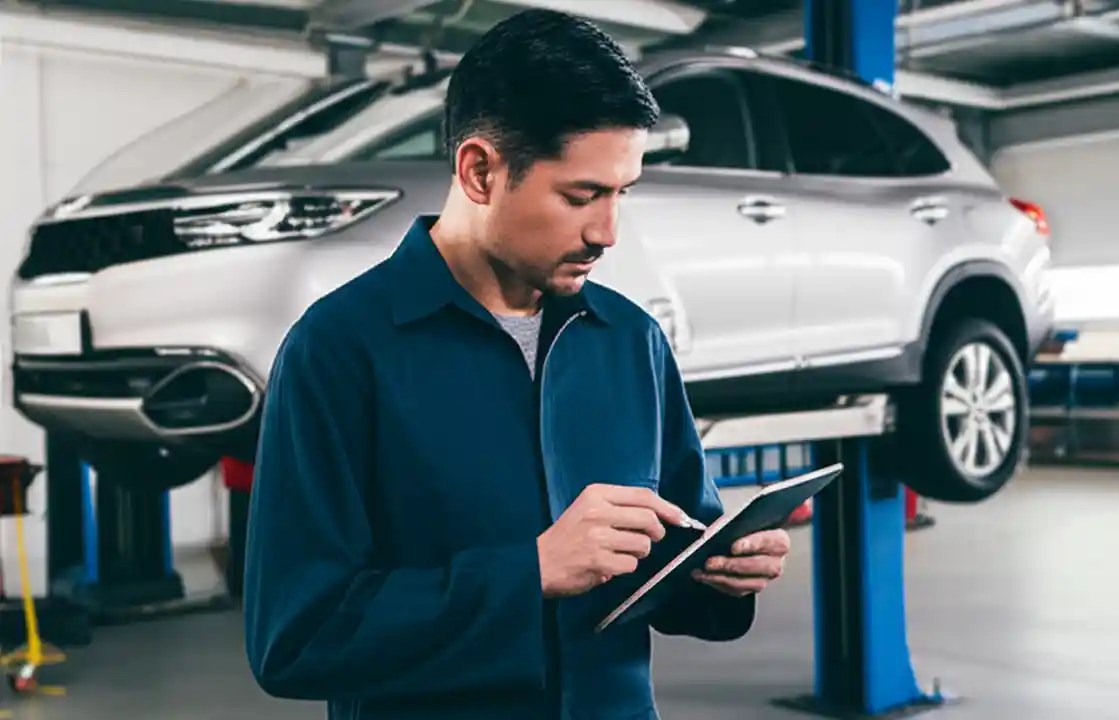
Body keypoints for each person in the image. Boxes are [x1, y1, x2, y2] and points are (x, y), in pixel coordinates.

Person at [242, 9, 791, 719]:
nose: (608, 232)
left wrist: (722, 575)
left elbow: (670, 561)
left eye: (622, 193)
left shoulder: (629, 341)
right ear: (479, 171)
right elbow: (296, 635)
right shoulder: (340, 351)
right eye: (581, 196)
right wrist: (527, 573)